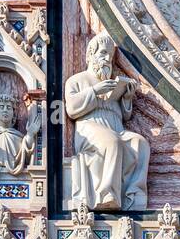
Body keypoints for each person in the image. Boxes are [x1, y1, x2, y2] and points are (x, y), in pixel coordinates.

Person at [64, 33, 150, 212]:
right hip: (89, 129)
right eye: (103, 53)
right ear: (90, 55)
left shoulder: (110, 83)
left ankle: (134, 193)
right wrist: (95, 91)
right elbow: (72, 108)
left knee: (140, 143)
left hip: (115, 128)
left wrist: (126, 97)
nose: (106, 59)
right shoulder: (77, 80)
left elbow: (124, 116)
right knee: (112, 142)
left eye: (109, 57)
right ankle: (106, 193)